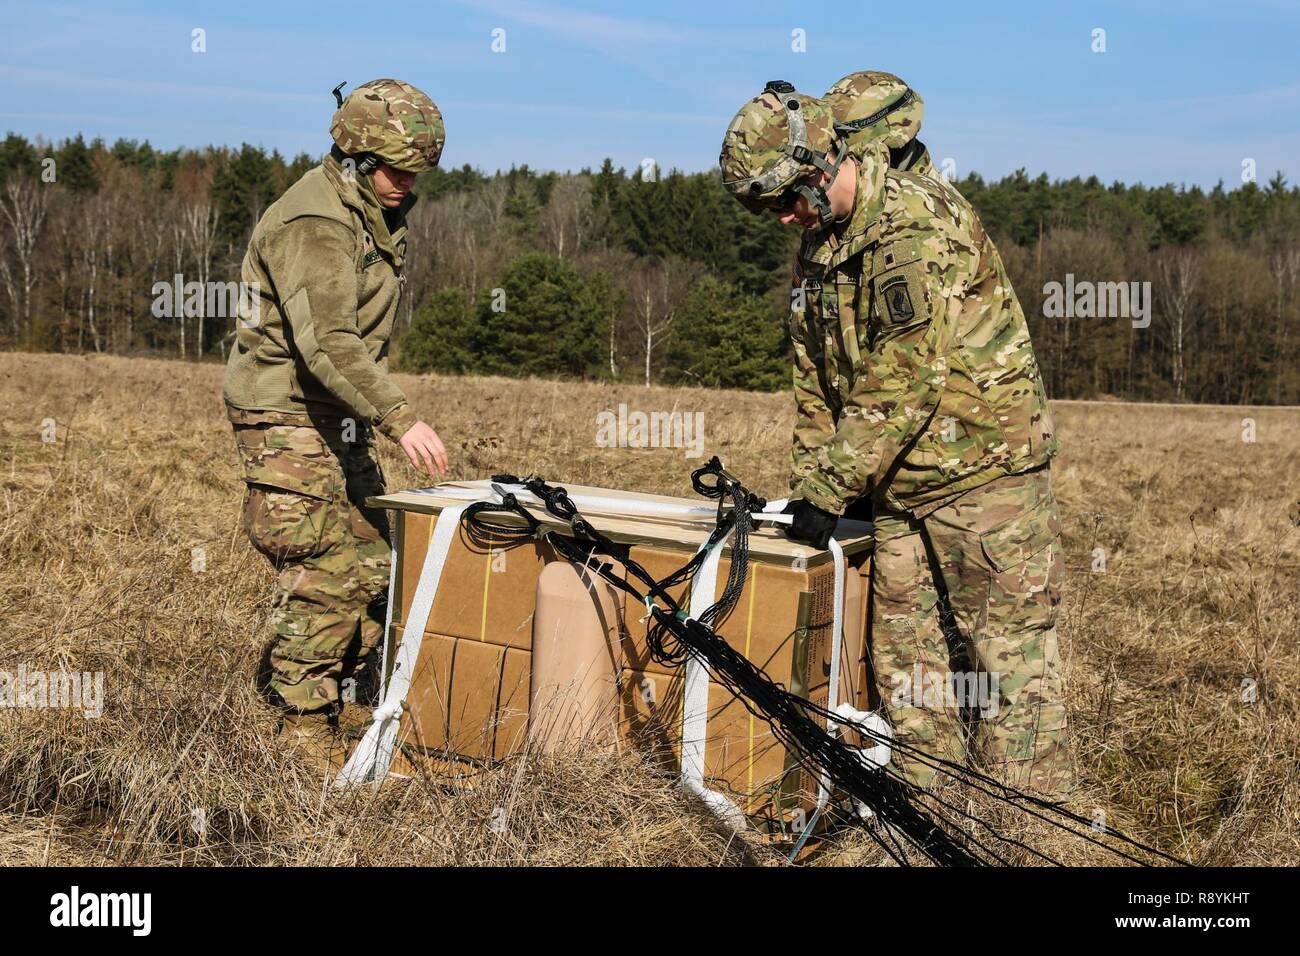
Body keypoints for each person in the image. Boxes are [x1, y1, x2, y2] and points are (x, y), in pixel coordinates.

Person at [719, 76, 1074, 796]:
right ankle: (926, 811)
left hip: (984, 474)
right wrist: (814, 495)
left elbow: (906, 371)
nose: (785, 220)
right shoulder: (819, 249)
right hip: (898, 486)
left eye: (786, 202)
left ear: (818, 169)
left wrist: (831, 487)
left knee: (1006, 661)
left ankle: (1032, 822)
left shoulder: (915, 222)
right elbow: (817, 380)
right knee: (909, 664)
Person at [223, 79, 450, 769]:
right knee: (325, 569)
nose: (408, 185)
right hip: (286, 412)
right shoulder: (313, 223)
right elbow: (327, 341)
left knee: (379, 559)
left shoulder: (370, 208)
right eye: (397, 169)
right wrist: (399, 418)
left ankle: (352, 695)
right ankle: (302, 729)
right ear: (354, 154)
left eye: (418, 172)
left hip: (337, 413)